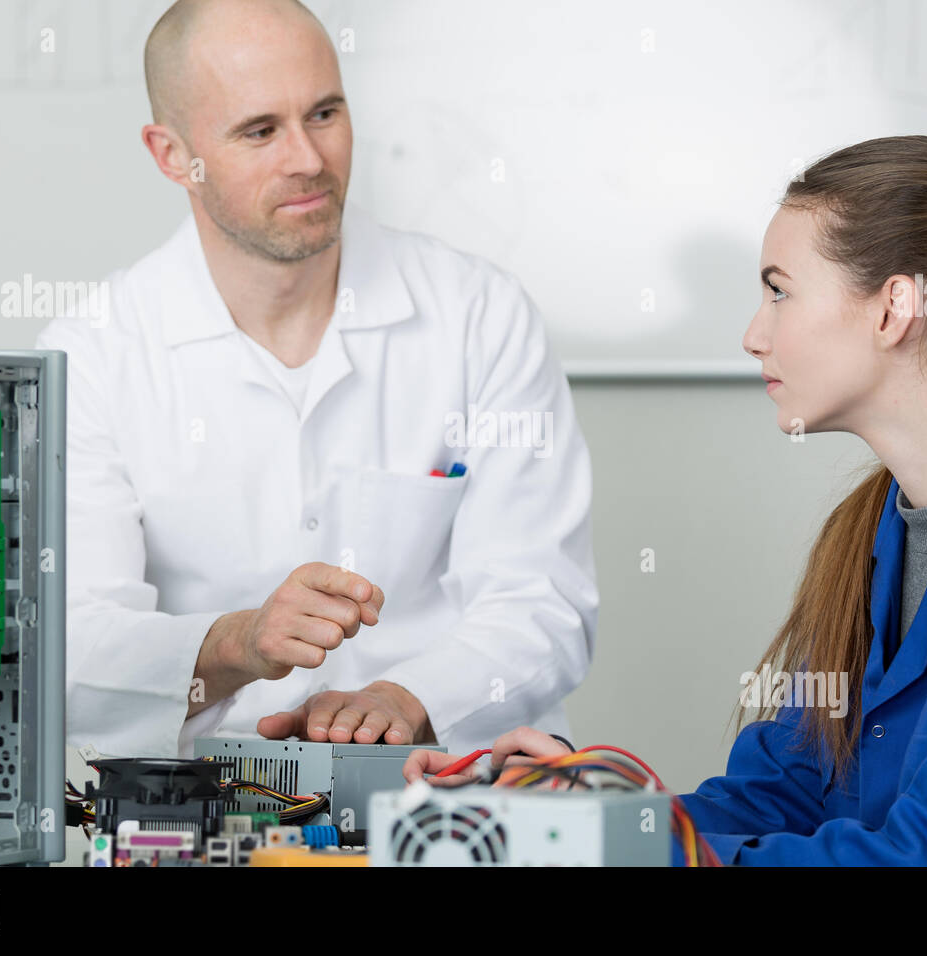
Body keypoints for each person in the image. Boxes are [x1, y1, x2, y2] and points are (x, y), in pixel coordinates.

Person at [406, 135, 927, 866]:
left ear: (893, 309)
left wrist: (650, 853)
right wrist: (588, 811)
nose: (753, 335)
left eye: (778, 291)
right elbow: (779, 792)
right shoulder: (866, 531)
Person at [34, 0, 596, 759]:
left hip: (453, 788)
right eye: (260, 130)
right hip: (211, 805)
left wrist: (410, 697)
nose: (307, 158)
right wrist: (238, 644)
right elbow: (67, 651)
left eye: (325, 113)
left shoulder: (479, 314)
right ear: (172, 155)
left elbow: (542, 601)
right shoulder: (93, 353)